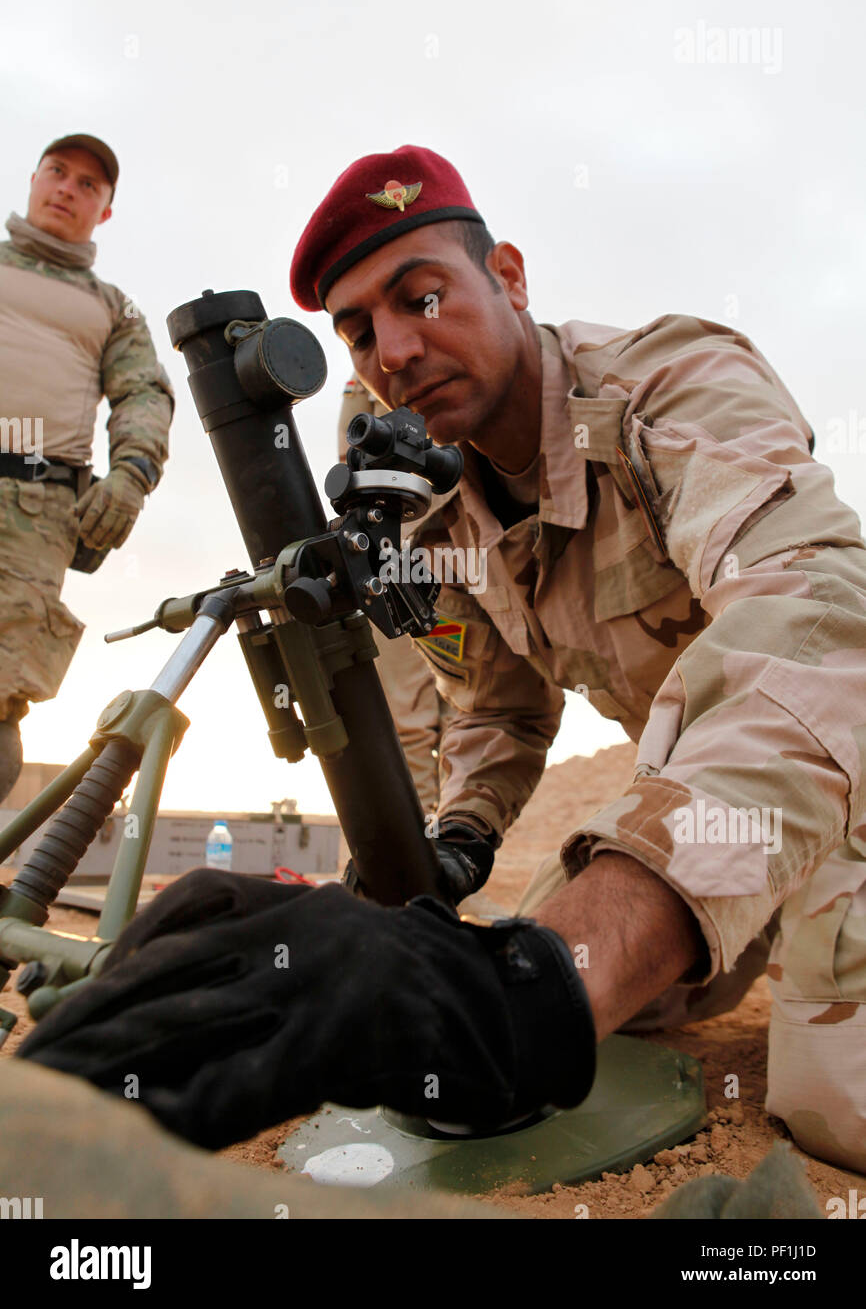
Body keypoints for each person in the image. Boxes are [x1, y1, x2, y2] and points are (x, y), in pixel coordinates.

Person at [17, 146, 866, 1176]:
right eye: (361, 330)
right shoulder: (440, 508)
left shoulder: (665, 384)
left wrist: (539, 985)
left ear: (506, 276)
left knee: (830, 1102)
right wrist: (450, 853)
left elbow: (817, 615)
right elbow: (499, 711)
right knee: (599, 1012)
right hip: (706, 805)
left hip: (836, 765)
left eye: (422, 296)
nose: (396, 348)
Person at [0, 134, 173, 801]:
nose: (68, 188)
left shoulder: (113, 307)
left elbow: (144, 393)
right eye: (58, 172)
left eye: (88, 185)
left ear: (103, 212)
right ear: (35, 179)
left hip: (34, 517)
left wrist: (131, 475)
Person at [337, 373, 453, 820]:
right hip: (399, 562)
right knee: (408, 720)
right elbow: (356, 466)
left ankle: (450, 849)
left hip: (464, 563)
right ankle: (417, 859)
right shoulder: (375, 372)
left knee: (468, 713)